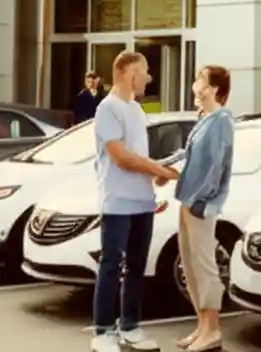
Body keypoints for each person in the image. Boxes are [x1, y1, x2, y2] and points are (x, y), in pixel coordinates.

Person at [91, 51, 180, 352]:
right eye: (145, 72)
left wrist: (157, 174)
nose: (149, 77)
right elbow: (121, 157)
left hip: (143, 201)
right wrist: (158, 170)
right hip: (117, 202)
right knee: (111, 264)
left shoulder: (136, 110)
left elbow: (138, 155)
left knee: (137, 266)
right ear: (130, 74)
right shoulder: (108, 109)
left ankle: (130, 326)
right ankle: (103, 332)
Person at [173, 66, 236, 352]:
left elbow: (216, 165)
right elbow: (189, 159)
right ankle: (201, 327)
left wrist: (202, 199)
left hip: (201, 204)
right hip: (187, 200)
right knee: (190, 265)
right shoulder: (205, 118)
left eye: (200, 79)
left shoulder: (221, 120)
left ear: (213, 89)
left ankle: (212, 330)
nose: (195, 84)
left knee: (204, 266)